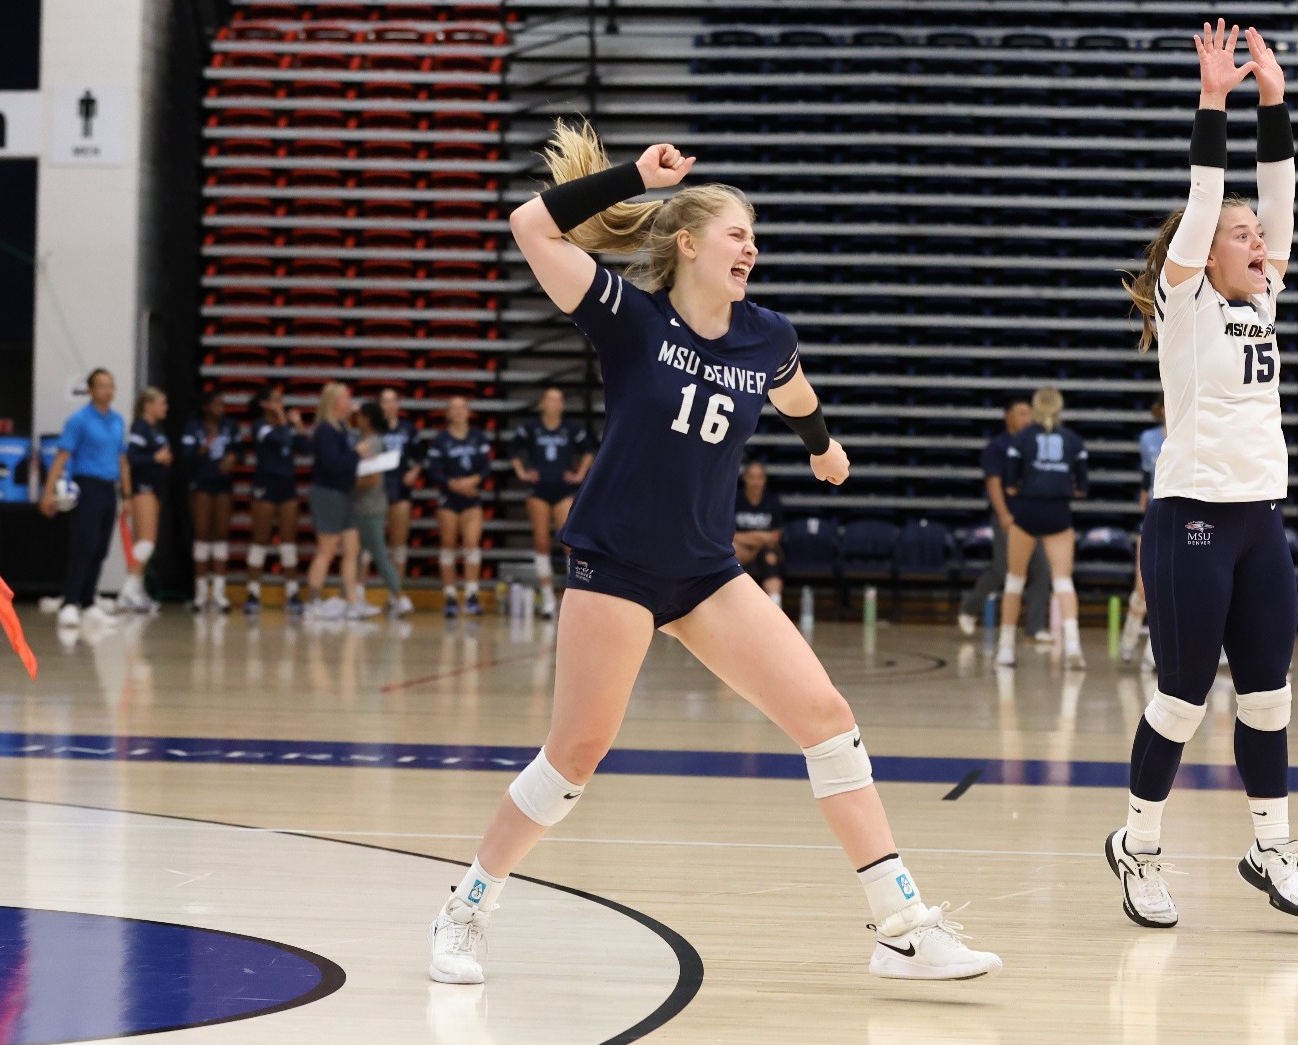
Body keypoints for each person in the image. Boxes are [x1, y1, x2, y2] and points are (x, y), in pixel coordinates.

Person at [426, 120, 1000, 985]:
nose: (752, 248)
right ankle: (467, 906)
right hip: (614, 562)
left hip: (703, 571)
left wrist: (822, 447)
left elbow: (795, 388)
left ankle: (901, 926)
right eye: (738, 233)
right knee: (574, 754)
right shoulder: (630, 318)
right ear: (688, 242)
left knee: (828, 720)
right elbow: (529, 226)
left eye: (756, 238)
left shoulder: (764, 335)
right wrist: (632, 176)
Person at [1106, 22, 1298, 929]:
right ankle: (1138, 847)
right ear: (1204, 249)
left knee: (1269, 698)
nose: (1261, 240)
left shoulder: (1261, 291)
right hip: (1190, 515)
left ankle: (1270, 844)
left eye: (1259, 234)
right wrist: (1214, 101)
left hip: (1259, 519)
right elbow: (1208, 202)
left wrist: (1274, 97)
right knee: (1183, 699)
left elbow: (1280, 197)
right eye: (1243, 234)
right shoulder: (1185, 296)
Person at [996, 387, 1089, 668]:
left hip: (1027, 511)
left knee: (1015, 580)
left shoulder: (1021, 438)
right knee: (1062, 581)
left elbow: (1010, 484)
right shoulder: (1073, 440)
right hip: (1058, 512)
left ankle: (1005, 649)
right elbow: (1082, 488)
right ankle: (1073, 648)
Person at [40, 368, 129, 630]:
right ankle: (69, 602)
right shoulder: (78, 420)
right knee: (85, 544)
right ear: (90, 390)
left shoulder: (118, 421)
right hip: (86, 486)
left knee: (101, 548)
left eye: (111, 385)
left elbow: (122, 460)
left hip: (108, 488)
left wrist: (127, 494)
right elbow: (61, 458)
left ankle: (89, 603)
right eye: (102, 385)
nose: (107, 391)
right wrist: (48, 493)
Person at [957, 396, 1050, 641]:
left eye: (1030, 414)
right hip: (1008, 517)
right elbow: (994, 483)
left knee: (1042, 570)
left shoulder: (1035, 444)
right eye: (1021, 413)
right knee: (1002, 568)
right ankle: (969, 609)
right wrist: (1004, 515)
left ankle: (1035, 627)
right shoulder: (997, 447)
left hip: (1032, 516)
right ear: (1007, 416)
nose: (1028, 418)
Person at [510, 386, 593, 618]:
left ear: (562, 405)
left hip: (564, 490)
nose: (554, 403)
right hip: (538, 491)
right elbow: (513, 449)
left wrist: (579, 474)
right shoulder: (531, 428)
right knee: (541, 542)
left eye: (559, 399)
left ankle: (570, 598)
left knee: (569, 543)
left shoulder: (570, 429)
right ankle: (547, 599)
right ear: (542, 403)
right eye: (550, 399)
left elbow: (588, 450)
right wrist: (522, 472)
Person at [426, 394, 492, 618]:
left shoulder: (478, 437)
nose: (458, 411)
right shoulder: (441, 440)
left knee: (472, 544)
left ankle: (472, 594)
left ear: (468, 412)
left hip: (472, 497)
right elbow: (434, 471)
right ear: (448, 413)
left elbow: (486, 468)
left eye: (462, 407)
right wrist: (453, 484)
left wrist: (472, 481)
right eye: (453, 408)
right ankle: (450, 595)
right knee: (448, 544)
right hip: (449, 499)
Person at [304, 382, 364, 621]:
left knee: (352, 548)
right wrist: (357, 453)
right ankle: (314, 601)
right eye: (346, 397)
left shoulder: (343, 428)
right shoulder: (325, 431)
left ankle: (351, 602)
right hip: (327, 493)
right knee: (327, 549)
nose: (350, 400)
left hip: (345, 493)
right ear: (334, 402)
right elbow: (333, 464)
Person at [245, 385, 307, 615]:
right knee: (260, 539)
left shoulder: (285, 425)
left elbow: (304, 446)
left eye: (282, 400)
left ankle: (292, 592)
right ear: (265, 404)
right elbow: (280, 438)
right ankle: (253, 592)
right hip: (265, 485)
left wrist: (298, 423)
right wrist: (284, 419)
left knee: (289, 541)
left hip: (287, 485)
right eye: (276, 400)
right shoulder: (260, 426)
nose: (281, 403)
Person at [1119, 400, 1168, 668]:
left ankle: (1153, 653)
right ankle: (1128, 640)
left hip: (1180, 514)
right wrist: (1142, 496)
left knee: (1168, 588)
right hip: (1153, 513)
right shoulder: (1147, 439)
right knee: (1143, 586)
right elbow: (1145, 473)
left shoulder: (1192, 433)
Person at [353, 401, 412, 618]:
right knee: (357, 553)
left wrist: (346, 484)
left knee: (377, 553)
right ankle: (356, 596)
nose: (356, 419)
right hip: (361, 505)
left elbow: (372, 478)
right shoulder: (364, 440)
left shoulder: (373, 443)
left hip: (369, 506)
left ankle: (399, 597)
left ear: (367, 419)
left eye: (359, 416)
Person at [182, 390, 239, 612]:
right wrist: (205, 445)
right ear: (205, 407)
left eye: (222, 404)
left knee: (221, 535)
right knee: (202, 533)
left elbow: (239, 450)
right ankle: (200, 592)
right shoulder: (193, 427)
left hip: (223, 485)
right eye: (216, 404)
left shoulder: (230, 425)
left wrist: (234, 457)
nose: (221, 408)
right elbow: (187, 458)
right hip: (201, 484)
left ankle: (220, 593)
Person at [119, 386, 171, 613]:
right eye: (161, 403)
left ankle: (136, 590)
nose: (165, 408)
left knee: (143, 543)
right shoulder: (140, 427)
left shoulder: (154, 429)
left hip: (154, 488)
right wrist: (156, 457)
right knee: (146, 543)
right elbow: (131, 458)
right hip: (143, 488)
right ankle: (128, 592)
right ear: (148, 405)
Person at [376, 387, 423, 591]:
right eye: (385, 401)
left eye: (393, 400)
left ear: (398, 404)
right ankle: (359, 592)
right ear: (379, 405)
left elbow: (420, 457)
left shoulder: (408, 428)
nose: (390, 405)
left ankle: (396, 593)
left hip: (400, 488)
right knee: (369, 543)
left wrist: (414, 472)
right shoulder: (373, 428)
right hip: (375, 489)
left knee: (399, 545)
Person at [732, 459, 786, 605]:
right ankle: (734, 604)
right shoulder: (734, 500)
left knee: (770, 558)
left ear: (764, 479)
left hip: (765, 549)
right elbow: (728, 534)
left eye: (759, 477)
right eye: (752, 477)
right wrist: (760, 537)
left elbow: (775, 536)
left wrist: (751, 542)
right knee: (732, 552)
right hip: (740, 548)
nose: (756, 481)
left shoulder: (772, 501)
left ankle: (775, 603)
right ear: (745, 478)